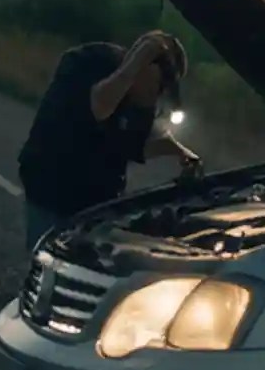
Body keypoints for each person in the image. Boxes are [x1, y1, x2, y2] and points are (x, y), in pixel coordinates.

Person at [17, 31, 200, 251]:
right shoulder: (88, 61)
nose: (156, 94)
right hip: (51, 184)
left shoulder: (143, 100)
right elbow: (100, 108)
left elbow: (133, 145)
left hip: (95, 198)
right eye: (156, 84)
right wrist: (140, 59)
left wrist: (181, 153)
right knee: (47, 257)